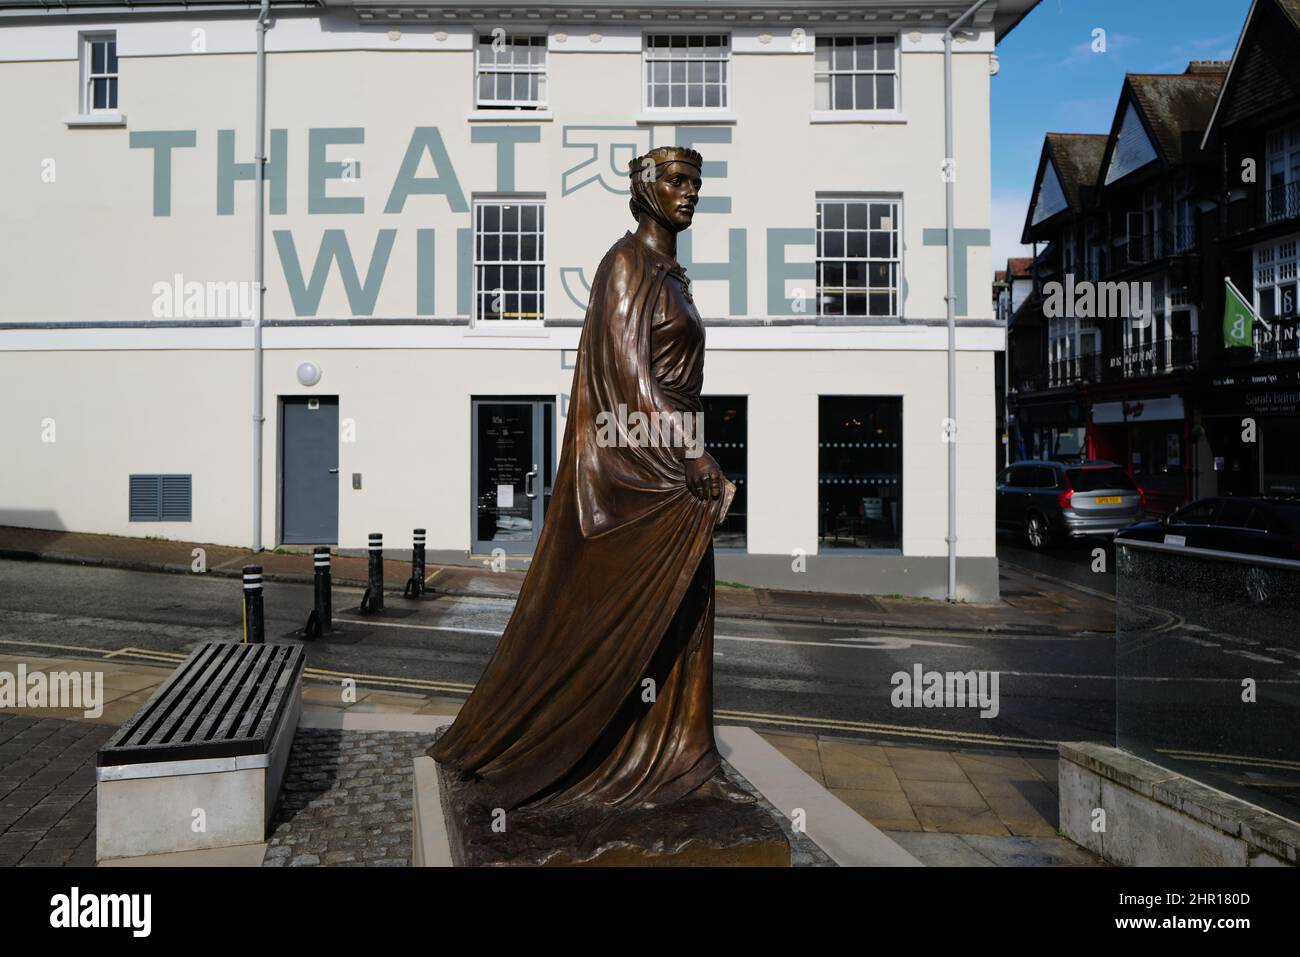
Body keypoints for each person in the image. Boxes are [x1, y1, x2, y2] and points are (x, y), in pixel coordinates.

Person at [430, 146, 734, 811]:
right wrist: (692, 453)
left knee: (688, 612)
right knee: (636, 617)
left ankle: (680, 753)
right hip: (650, 468)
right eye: (678, 181)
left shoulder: (670, 274)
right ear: (646, 187)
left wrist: (689, 453)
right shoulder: (626, 264)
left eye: (697, 183)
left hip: (675, 465)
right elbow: (629, 377)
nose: (691, 193)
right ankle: (595, 748)